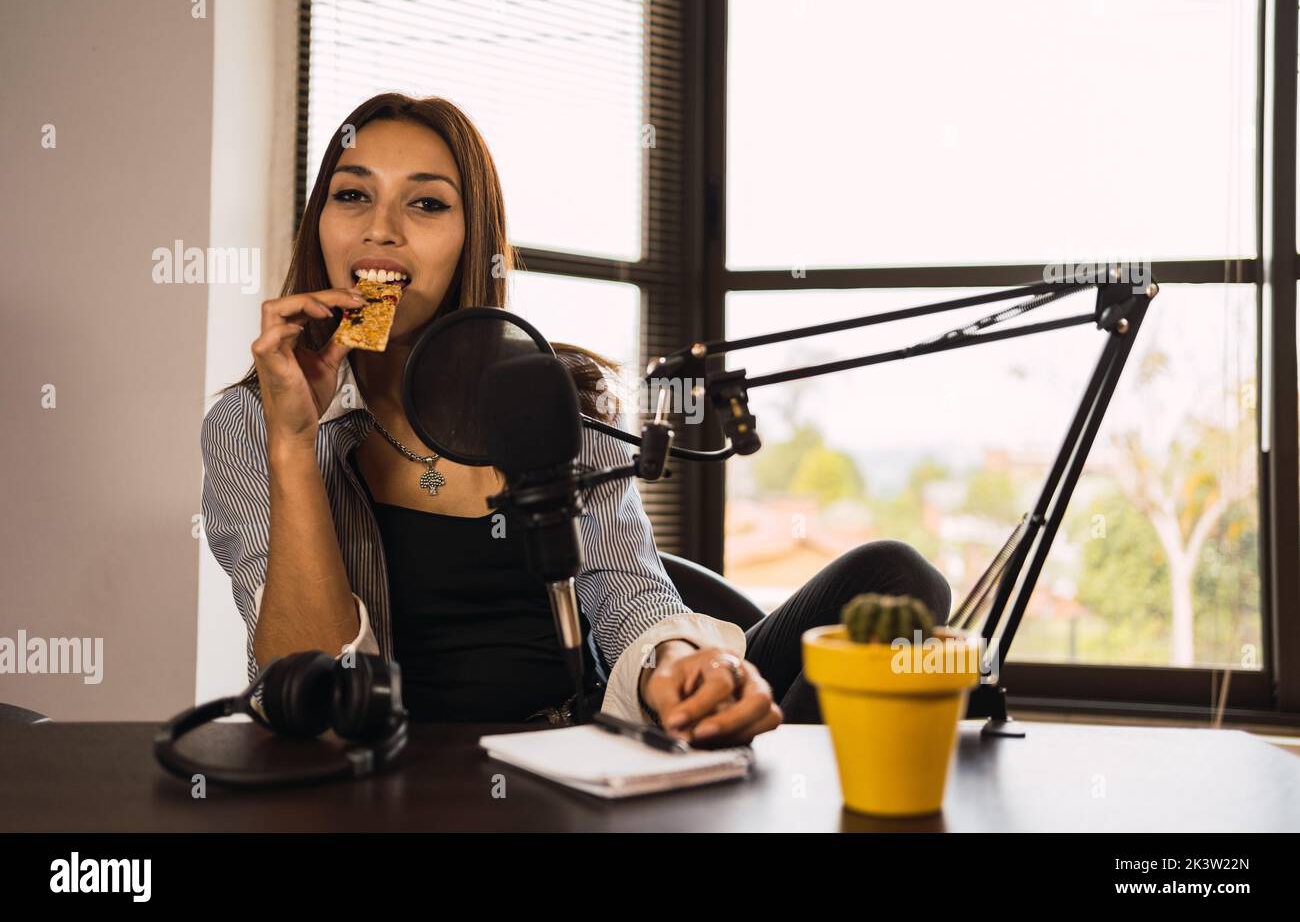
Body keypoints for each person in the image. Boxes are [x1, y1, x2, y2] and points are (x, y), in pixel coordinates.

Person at [201, 93, 951, 748]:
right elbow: (304, 686)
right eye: (352, 196)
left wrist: (679, 667)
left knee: (895, 575)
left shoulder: (544, 393)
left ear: (474, 239)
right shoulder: (251, 421)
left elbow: (631, 597)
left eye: (426, 202)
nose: (381, 231)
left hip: (582, 758)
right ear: (320, 224)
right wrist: (295, 444)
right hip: (397, 779)